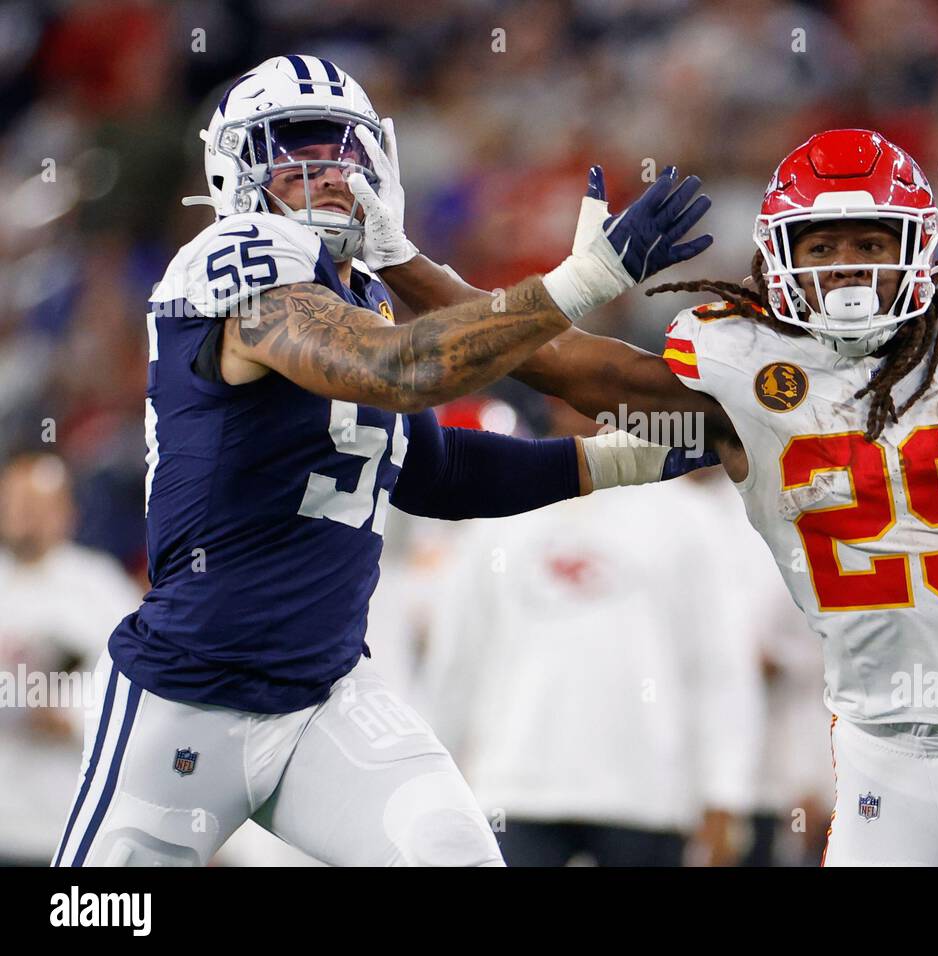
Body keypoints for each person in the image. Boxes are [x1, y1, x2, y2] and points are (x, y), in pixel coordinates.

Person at [405, 128, 938, 864]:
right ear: (778, 258)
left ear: (919, 249)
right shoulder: (737, 364)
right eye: (822, 245)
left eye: (871, 240)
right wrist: (402, 261)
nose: (848, 267)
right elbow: (552, 362)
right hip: (886, 773)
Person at [54, 54, 714, 867]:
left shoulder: (359, 289)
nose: (328, 166)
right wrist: (582, 279)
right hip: (187, 695)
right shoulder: (234, 260)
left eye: (341, 144)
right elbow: (397, 370)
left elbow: (437, 472)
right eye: (294, 144)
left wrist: (627, 459)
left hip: (324, 697)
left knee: (457, 857)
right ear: (237, 168)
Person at [419, 403, 763, 866]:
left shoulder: (685, 516)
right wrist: (432, 784)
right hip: (514, 787)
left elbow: (720, 664)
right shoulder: (499, 510)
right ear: (550, 398)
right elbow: (456, 660)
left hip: (646, 794)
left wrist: (725, 794)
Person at [0, 453, 139, 864]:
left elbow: (138, 690)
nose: (25, 515)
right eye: (15, 502)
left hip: (67, 818)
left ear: (67, 512)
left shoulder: (100, 588)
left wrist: (71, 718)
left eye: (38, 505)